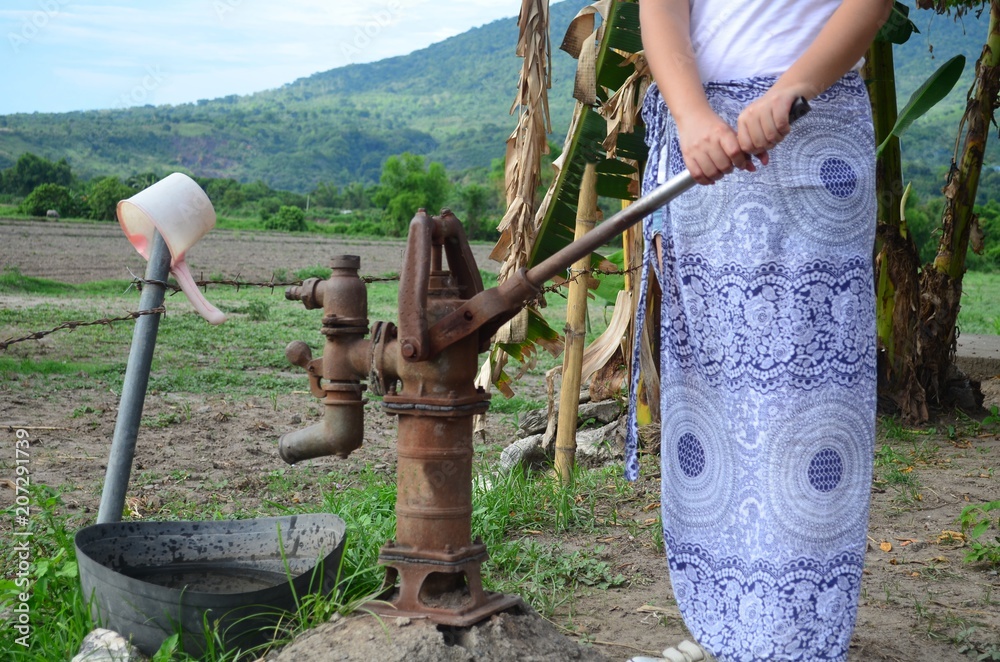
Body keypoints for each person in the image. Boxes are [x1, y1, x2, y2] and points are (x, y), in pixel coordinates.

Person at [624, 1, 894, 661]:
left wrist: (792, 88)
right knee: (711, 403)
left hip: (811, 128)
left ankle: (791, 640)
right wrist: (691, 118)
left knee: (807, 409)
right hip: (704, 147)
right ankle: (726, 630)